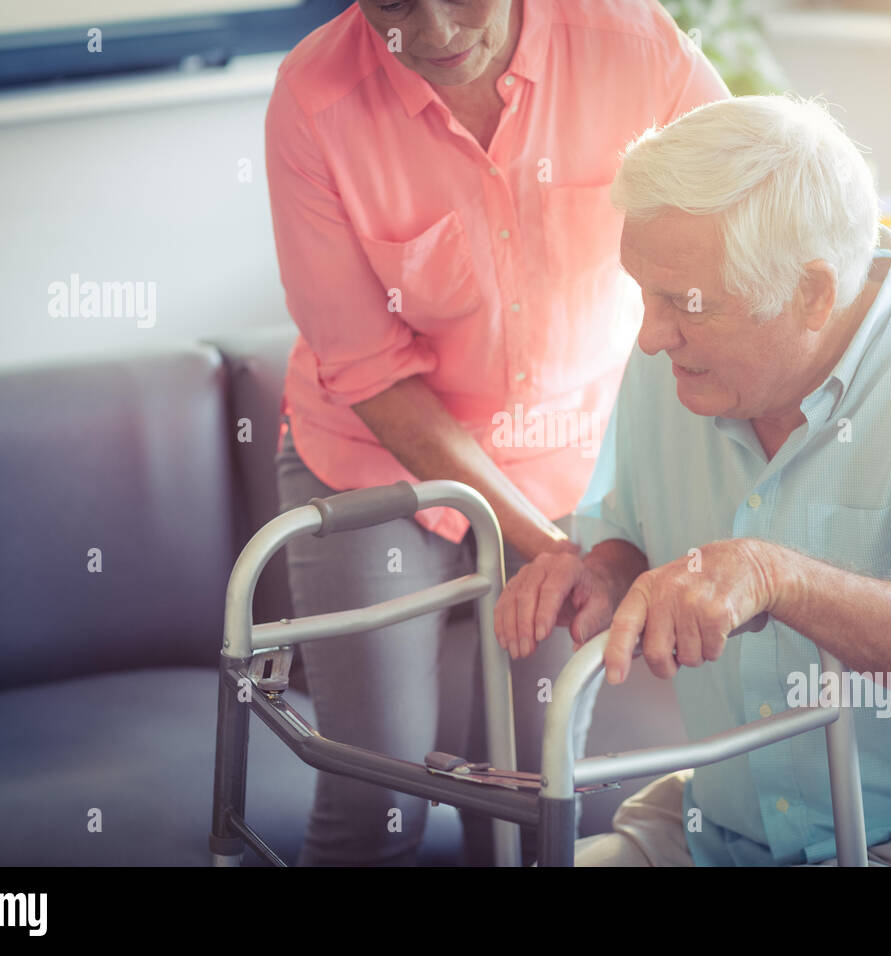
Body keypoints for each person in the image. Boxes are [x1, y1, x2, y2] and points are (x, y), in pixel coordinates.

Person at [494, 94, 891, 866]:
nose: (650, 335)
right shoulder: (675, 360)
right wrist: (600, 575)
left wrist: (776, 576)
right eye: (644, 294)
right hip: (724, 831)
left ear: (813, 293)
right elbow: (630, 535)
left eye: (686, 304)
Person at [265, 0, 729, 864]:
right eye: (398, 4)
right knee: (379, 795)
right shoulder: (312, 100)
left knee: (528, 794)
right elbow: (368, 372)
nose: (437, 32)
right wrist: (551, 547)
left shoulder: (635, 46)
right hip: (372, 466)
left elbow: (747, 207)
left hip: (567, 463)